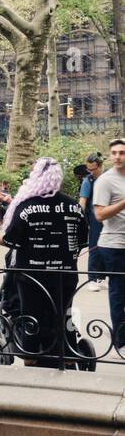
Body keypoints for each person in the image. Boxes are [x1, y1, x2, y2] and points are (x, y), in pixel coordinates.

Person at [0, 157, 87, 366]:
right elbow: (81, 241)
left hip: (32, 276)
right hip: (65, 275)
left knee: (31, 314)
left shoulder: (26, 208)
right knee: (63, 313)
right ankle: (68, 355)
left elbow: (9, 239)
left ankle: (30, 356)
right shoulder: (73, 207)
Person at [93, 139, 125, 349]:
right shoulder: (105, 181)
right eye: (113, 153)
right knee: (118, 294)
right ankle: (120, 343)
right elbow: (99, 214)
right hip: (113, 245)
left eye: (122, 152)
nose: (117, 156)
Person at [80, 153, 106, 291]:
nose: (90, 172)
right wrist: (78, 217)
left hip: (113, 218)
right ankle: (92, 278)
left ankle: (105, 276)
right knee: (94, 248)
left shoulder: (110, 177)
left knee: (111, 248)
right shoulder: (88, 180)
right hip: (95, 219)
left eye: (93, 169)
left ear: (100, 166)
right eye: (88, 169)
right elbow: (82, 202)